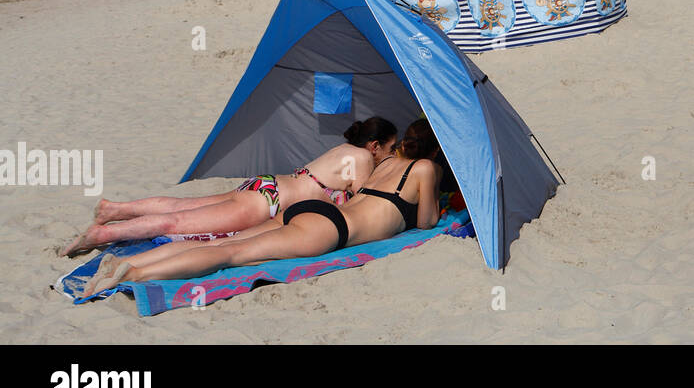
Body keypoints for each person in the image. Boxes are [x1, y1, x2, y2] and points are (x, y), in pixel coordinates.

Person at [77, 120, 442, 298]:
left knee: (226, 242)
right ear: (434, 150)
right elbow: (426, 223)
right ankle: (133, 275)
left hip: (308, 205)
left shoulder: (385, 162)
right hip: (330, 230)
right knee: (231, 254)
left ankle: (132, 263)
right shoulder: (426, 169)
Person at [60, 118, 399, 256]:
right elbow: (363, 203)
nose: (390, 154)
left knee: (185, 208)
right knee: (177, 223)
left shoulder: (343, 150)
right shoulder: (363, 159)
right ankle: (102, 235)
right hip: (268, 202)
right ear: (375, 145)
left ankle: (115, 210)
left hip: (267, 185)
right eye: (390, 147)